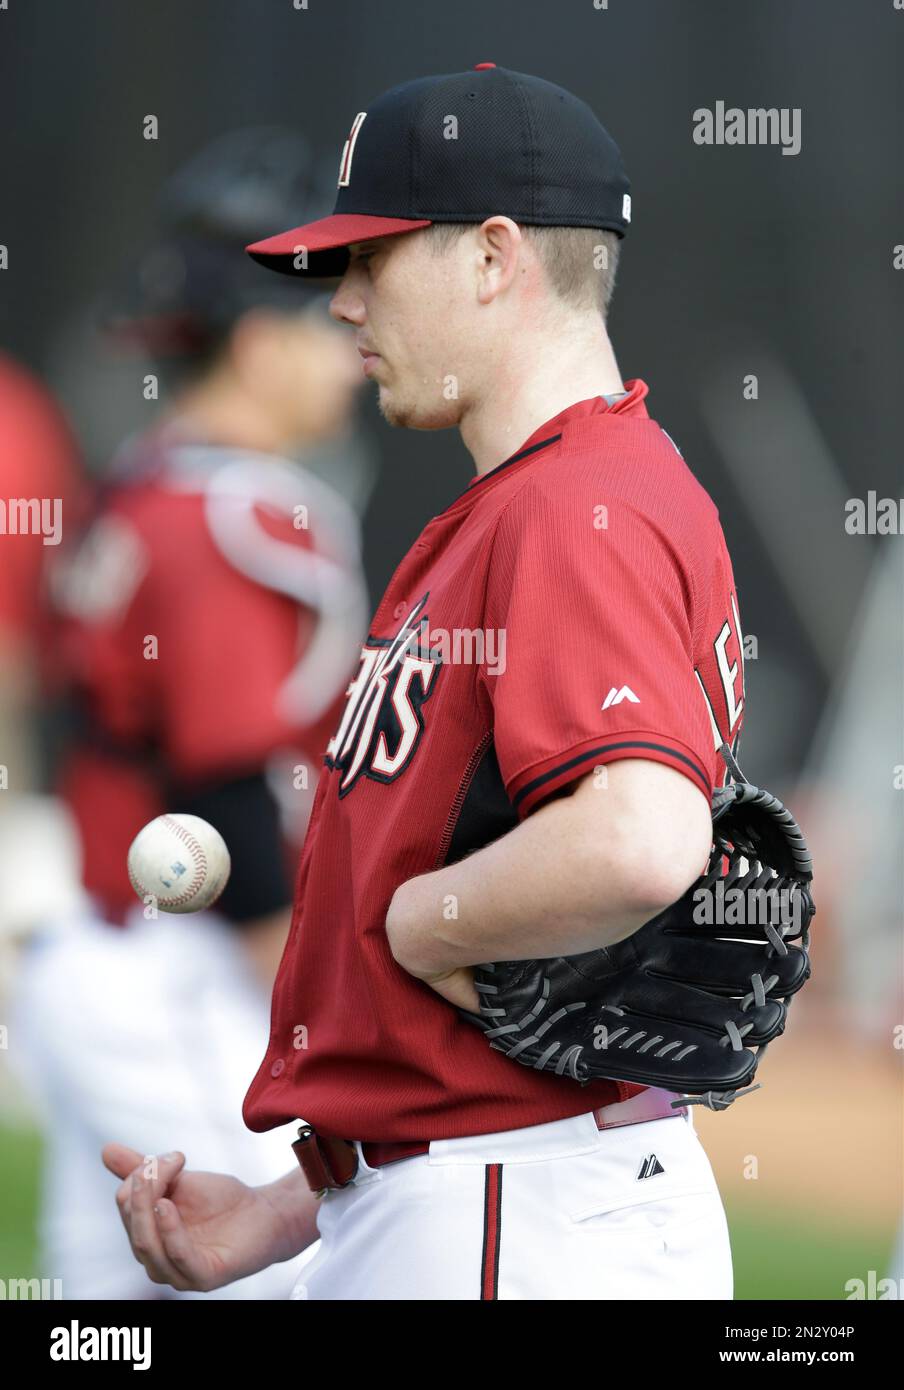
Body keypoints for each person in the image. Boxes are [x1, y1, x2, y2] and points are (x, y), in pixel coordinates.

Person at [105, 65, 745, 1301]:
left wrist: (417, 920)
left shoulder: (576, 504)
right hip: (485, 1191)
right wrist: (295, 1206)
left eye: (371, 259)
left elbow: (636, 837)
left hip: (523, 1210)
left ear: (493, 256)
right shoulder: (536, 499)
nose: (341, 305)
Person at [11, 129, 370, 1299]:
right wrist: (328, 1009)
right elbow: (220, 790)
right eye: (329, 324)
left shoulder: (150, 472)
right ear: (260, 340)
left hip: (106, 953)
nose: (354, 353)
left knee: (104, 1314)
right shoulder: (235, 515)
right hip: (189, 969)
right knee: (272, 1277)